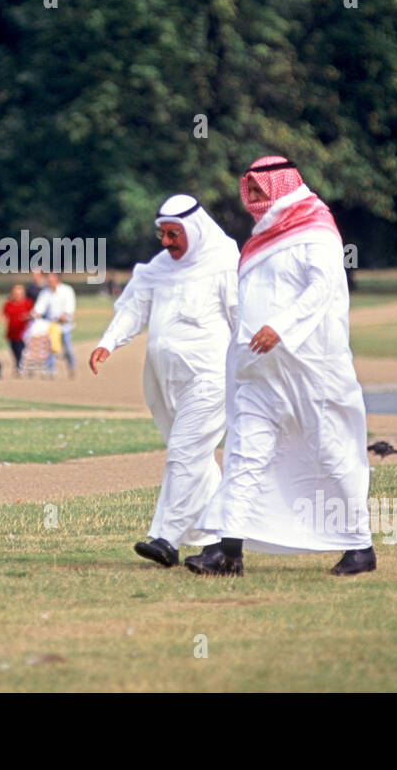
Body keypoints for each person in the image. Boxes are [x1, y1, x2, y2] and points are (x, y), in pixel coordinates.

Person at [187, 156, 374, 577]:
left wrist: (281, 328)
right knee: (243, 454)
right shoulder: (260, 240)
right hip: (259, 371)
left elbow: (321, 288)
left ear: (281, 185)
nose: (252, 198)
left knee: (330, 451)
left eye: (259, 189)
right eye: (248, 189)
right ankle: (227, 550)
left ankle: (360, 546)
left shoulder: (316, 230)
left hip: (310, 370)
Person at [89, 194, 238, 568]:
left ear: (196, 231)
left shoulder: (224, 264)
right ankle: (217, 538)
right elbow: (134, 308)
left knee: (183, 454)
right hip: (161, 381)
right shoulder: (158, 267)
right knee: (194, 458)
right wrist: (108, 342)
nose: (167, 242)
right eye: (163, 234)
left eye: (175, 234)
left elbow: (242, 320)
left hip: (209, 379)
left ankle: (165, 539)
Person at [34, 272, 76, 377]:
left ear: (57, 279)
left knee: (67, 348)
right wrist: (34, 314)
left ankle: (71, 366)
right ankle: (51, 370)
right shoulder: (45, 293)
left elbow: (70, 307)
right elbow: (39, 307)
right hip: (51, 325)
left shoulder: (67, 290)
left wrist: (65, 315)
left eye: (51, 279)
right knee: (50, 347)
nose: (49, 281)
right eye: (48, 279)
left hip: (64, 325)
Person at [2, 284, 34, 371]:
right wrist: (2, 319)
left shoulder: (28, 303)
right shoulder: (8, 304)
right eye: (15, 293)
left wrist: (27, 317)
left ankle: (21, 365)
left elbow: (33, 314)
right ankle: (18, 363)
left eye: (19, 293)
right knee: (14, 349)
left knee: (22, 349)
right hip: (12, 331)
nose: (17, 295)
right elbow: (3, 314)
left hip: (23, 331)